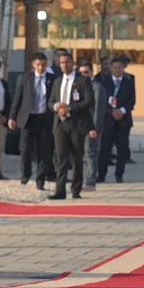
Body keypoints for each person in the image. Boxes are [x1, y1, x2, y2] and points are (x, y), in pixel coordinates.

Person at [46, 50, 95, 200]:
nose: (64, 65)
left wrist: (70, 108)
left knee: (76, 158)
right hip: (60, 124)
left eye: (67, 62)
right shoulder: (57, 81)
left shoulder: (82, 81)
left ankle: (75, 189)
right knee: (61, 158)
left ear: (73, 64)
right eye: (61, 63)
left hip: (76, 124)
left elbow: (88, 101)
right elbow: (50, 102)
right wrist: (57, 107)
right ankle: (60, 190)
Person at [7, 52, 54, 190]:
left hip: (44, 118)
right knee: (25, 148)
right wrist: (12, 117)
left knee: (43, 151)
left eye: (43, 65)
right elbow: (17, 98)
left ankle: (40, 179)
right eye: (38, 65)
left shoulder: (52, 79)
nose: (41, 67)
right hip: (28, 118)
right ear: (33, 65)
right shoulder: (25, 78)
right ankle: (25, 174)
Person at [97, 56, 136, 184]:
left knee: (122, 149)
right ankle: (101, 175)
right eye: (114, 67)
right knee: (105, 149)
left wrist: (122, 111)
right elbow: (101, 100)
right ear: (110, 68)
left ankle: (119, 175)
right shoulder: (104, 81)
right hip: (108, 120)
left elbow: (132, 100)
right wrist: (111, 111)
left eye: (119, 67)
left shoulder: (129, 80)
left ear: (123, 68)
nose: (117, 70)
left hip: (123, 120)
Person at [78, 60, 105, 191]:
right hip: (79, 125)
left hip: (91, 127)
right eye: (81, 72)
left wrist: (94, 127)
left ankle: (90, 181)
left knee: (90, 153)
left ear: (91, 72)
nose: (84, 75)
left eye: (86, 72)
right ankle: (82, 179)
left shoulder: (97, 87)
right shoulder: (79, 86)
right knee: (81, 153)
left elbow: (99, 109)